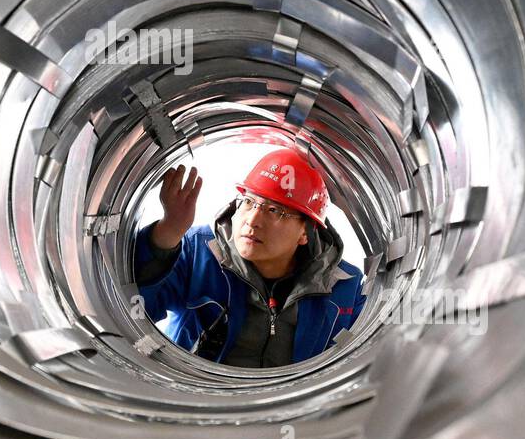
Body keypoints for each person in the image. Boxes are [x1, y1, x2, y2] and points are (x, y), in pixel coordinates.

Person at [133, 147, 366, 367]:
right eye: (249, 202)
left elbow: (373, 357)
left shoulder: (344, 285)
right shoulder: (198, 254)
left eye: (274, 211)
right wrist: (167, 233)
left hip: (292, 406)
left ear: (305, 232)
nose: (252, 220)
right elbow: (135, 310)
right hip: (196, 402)